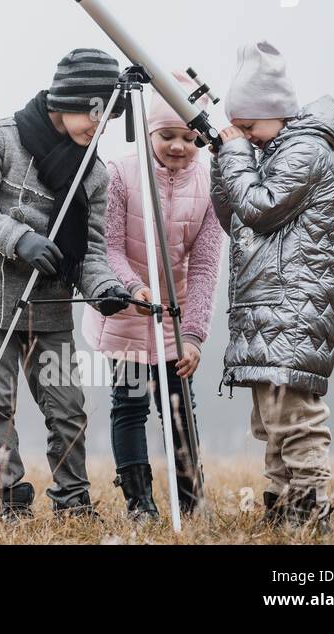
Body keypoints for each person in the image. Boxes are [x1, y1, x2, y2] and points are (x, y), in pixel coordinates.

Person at [0, 48, 133, 521]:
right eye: (96, 113)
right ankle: (11, 501)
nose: (101, 126)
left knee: (68, 408)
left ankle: (74, 503)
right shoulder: (2, 140)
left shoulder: (93, 173)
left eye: (108, 117)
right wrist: (19, 239)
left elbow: (91, 252)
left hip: (50, 309)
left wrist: (107, 287)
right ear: (69, 99)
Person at [210, 40, 334, 533]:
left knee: (296, 416)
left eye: (249, 126)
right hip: (267, 306)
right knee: (270, 420)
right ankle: (282, 507)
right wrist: (221, 161)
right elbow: (236, 219)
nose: (245, 136)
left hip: (295, 304)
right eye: (240, 130)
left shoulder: (306, 151)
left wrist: (235, 155)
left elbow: (261, 208)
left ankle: (312, 509)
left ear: (277, 113)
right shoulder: (267, 153)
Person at [84, 71, 223, 520]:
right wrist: (132, 288)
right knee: (130, 404)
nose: (178, 146)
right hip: (126, 311)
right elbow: (107, 246)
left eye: (188, 137)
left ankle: (191, 500)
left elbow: (204, 267)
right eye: (167, 135)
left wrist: (196, 335)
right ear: (148, 133)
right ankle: (139, 502)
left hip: (175, 320)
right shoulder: (121, 175)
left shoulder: (209, 186)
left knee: (180, 406)